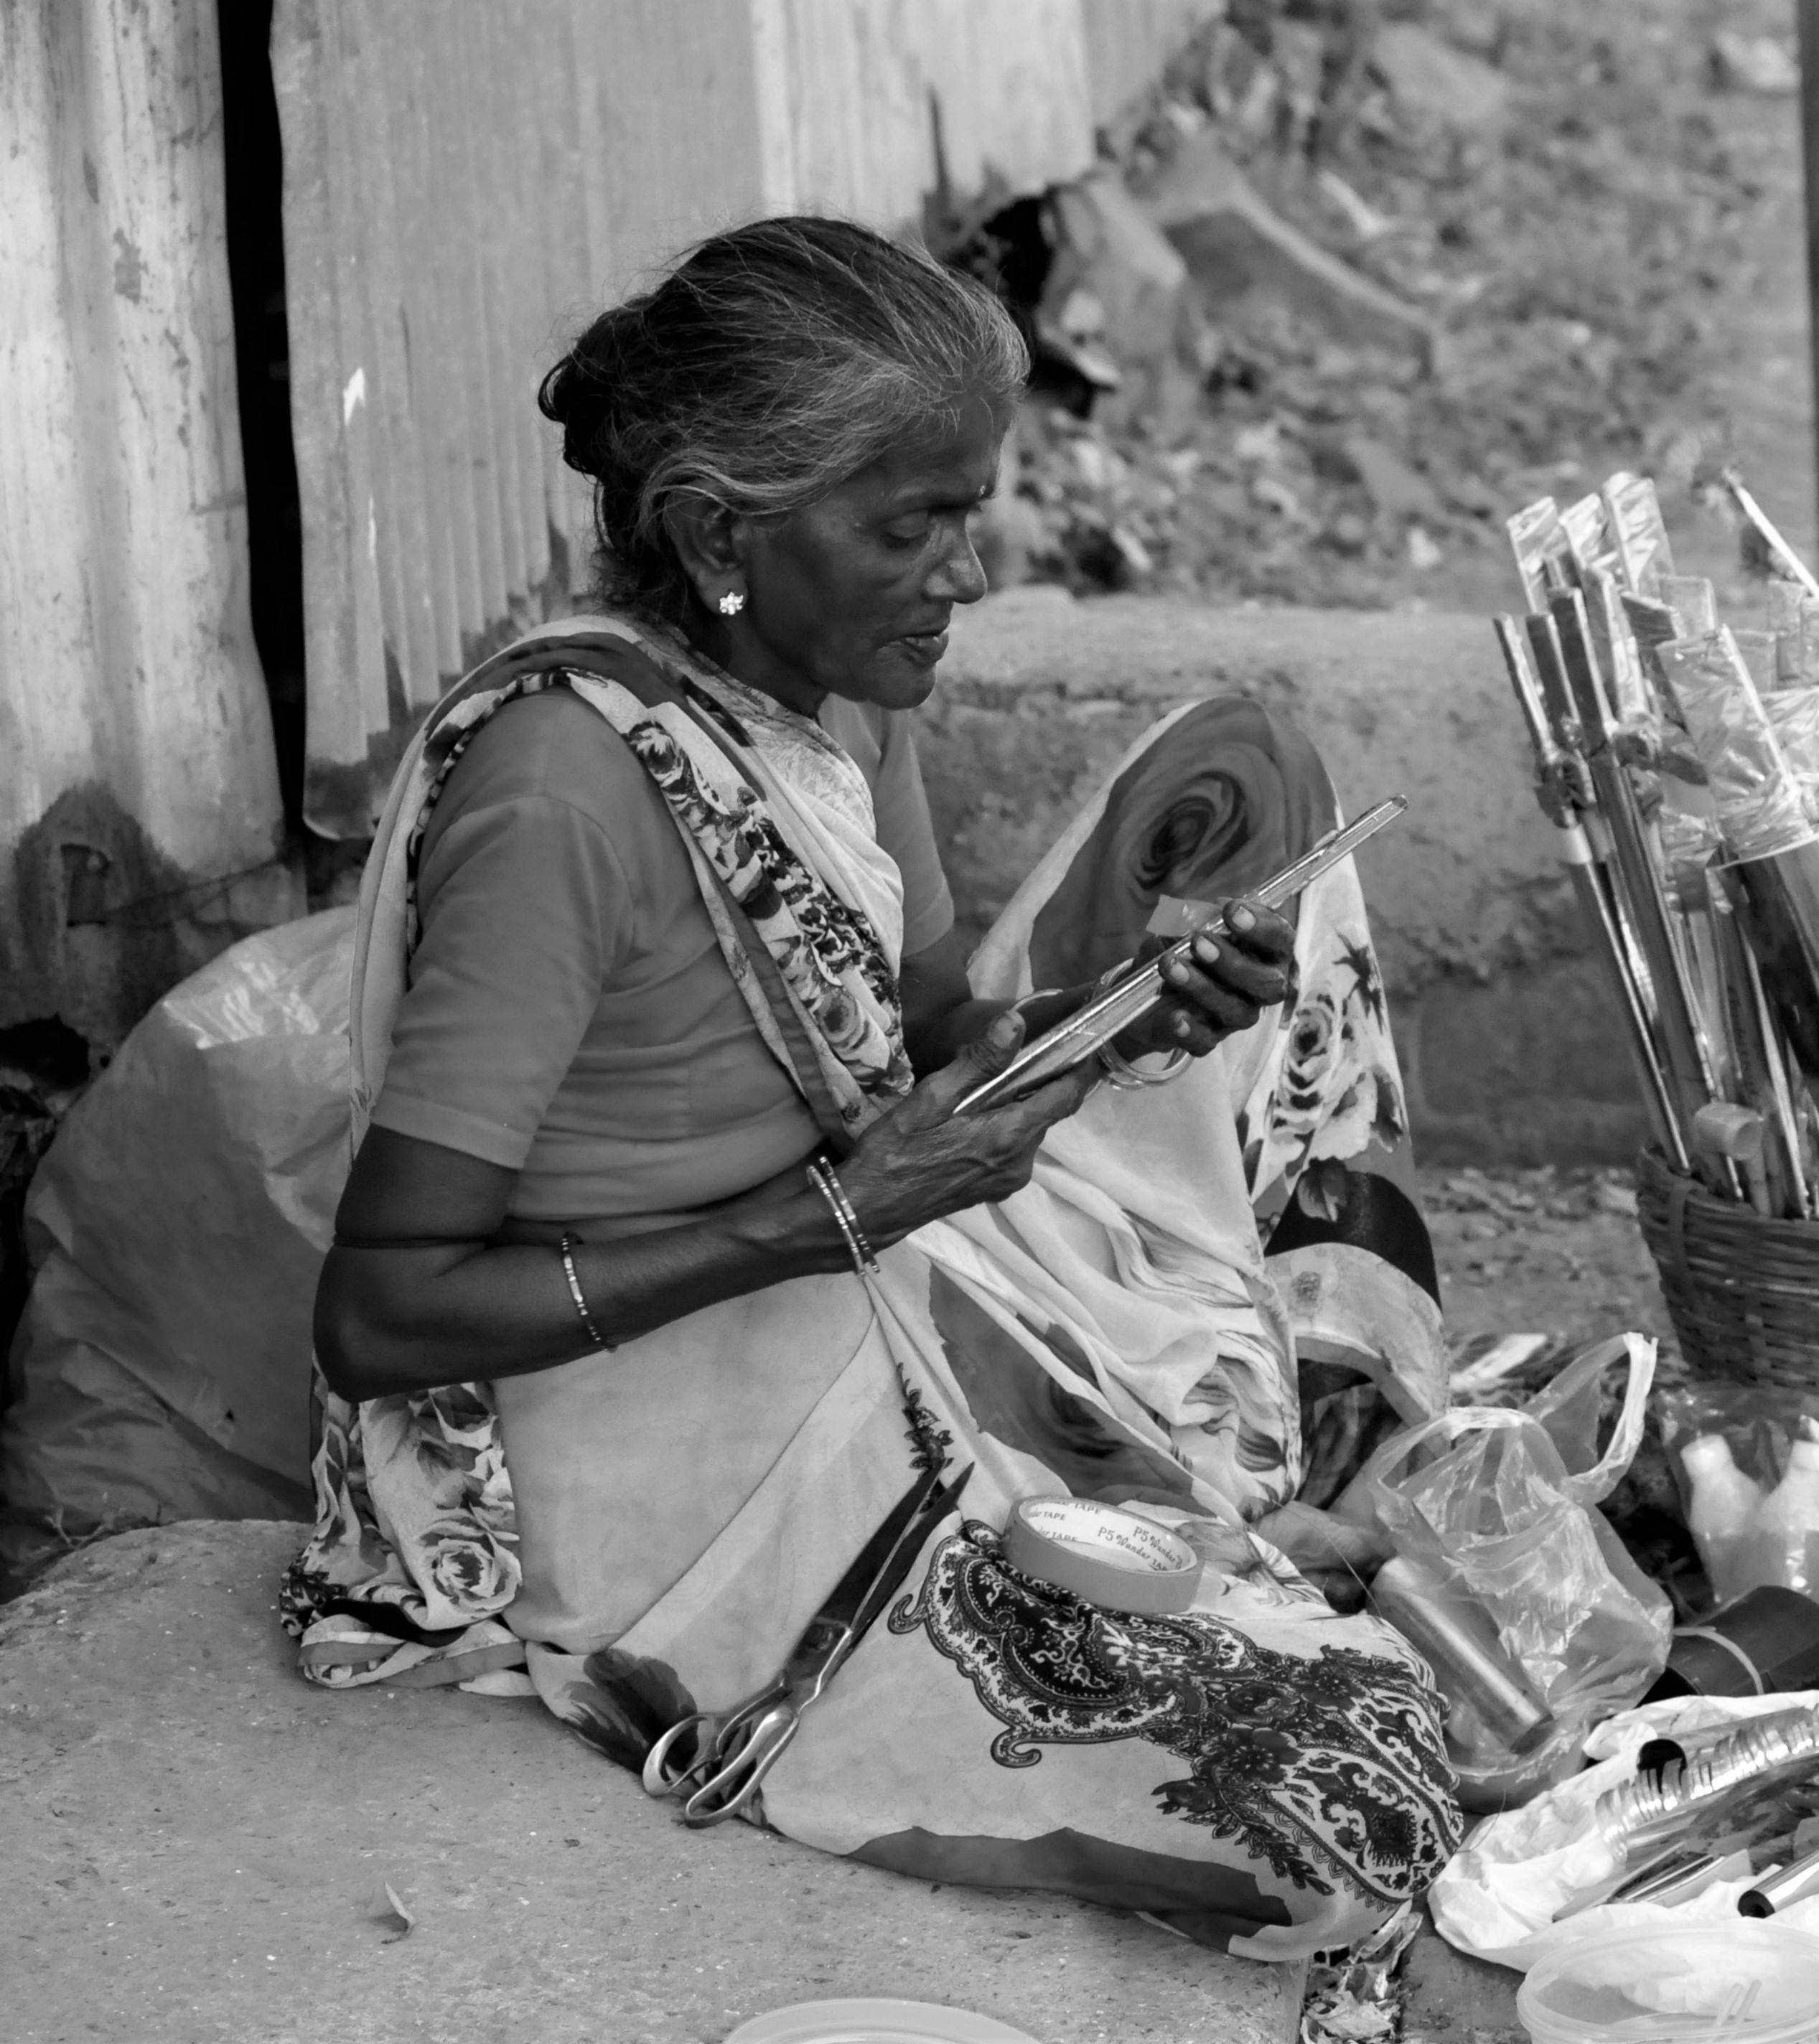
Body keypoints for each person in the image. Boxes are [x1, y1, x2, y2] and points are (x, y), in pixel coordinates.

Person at [279, 217, 1456, 1960]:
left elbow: (904, 1045)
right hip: (675, 1430)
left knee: (1260, 793)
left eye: (969, 512)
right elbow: (381, 1315)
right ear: (713, 528)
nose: (963, 574)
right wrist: (831, 1214)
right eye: (909, 525)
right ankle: (1232, 1493)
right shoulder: (564, 799)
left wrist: (1128, 1024)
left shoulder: (826, 693)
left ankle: (1213, 1477)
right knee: (1348, 1790)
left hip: (874, 1255)